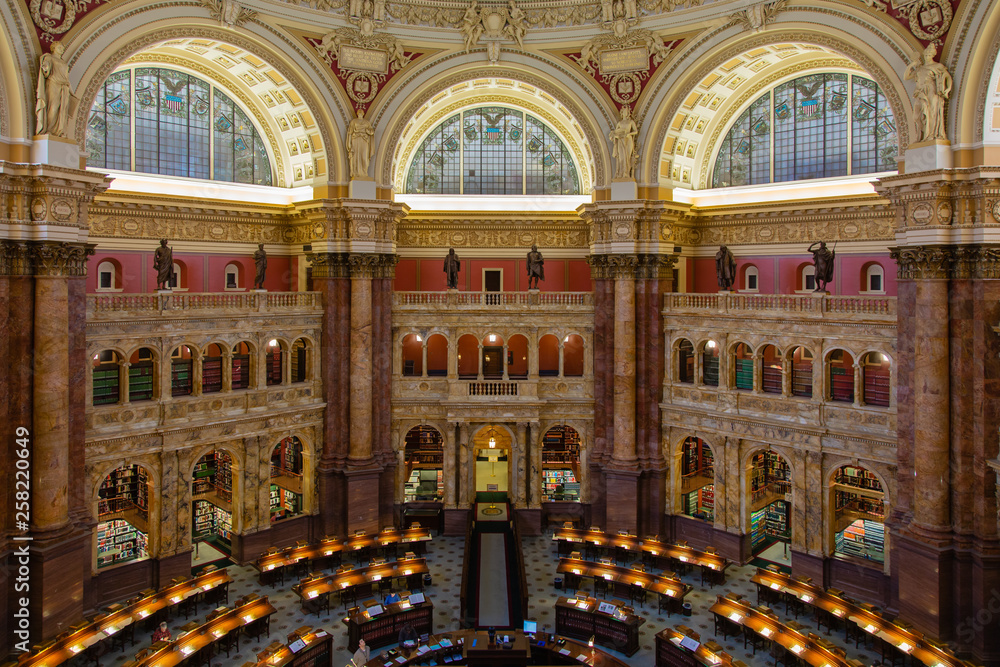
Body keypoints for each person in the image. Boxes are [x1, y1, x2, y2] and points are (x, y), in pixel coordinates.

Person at [903, 42, 952, 142]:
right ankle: (923, 134)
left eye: (929, 55)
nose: (927, 57)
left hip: (931, 90)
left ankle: (931, 134)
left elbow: (947, 76)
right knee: (917, 115)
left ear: (933, 55)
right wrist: (912, 65)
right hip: (920, 91)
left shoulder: (937, 66)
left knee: (932, 111)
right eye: (925, 55)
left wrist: (948, 89)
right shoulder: (920, 68)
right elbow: (906, 77)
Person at [36, 41, 71, 137]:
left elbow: (66, 77)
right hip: (53, 84)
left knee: (62, 109)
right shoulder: (49, 57)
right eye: (60, 47)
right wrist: (45, 67)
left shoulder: (63, 62)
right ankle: (49, 129)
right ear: (53, 48)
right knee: (53, 106)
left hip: (64, 87)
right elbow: (46, 66)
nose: (62, 50)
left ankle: (59, 131)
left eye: (62, 48)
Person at [609, 105, 638, 179]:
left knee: (627, 157)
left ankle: (627, 173)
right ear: (622, 113)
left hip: (628, 140)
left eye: (626, 111)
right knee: (621, 157)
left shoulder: (630, 122)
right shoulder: (619, 123)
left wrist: (629, 134)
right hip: (620, 140)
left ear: (628, 113)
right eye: (624, 111)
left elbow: (635, 131)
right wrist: (615, 136)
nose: (625, 113)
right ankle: (621, 173)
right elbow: (615, 132)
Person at [346, 109, 375, 179]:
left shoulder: (367, 122)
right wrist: (349, 144)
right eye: (359, 112)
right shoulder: (354, 121)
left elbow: (371, 132)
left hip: (364, 140)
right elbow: (350, 132)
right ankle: (355, 172)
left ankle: (364, 172)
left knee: (364, 156)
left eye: (361, 112)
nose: (360, 113)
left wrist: (367, 131)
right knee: (356, 156)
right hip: (355, 139)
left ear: (363, 113)